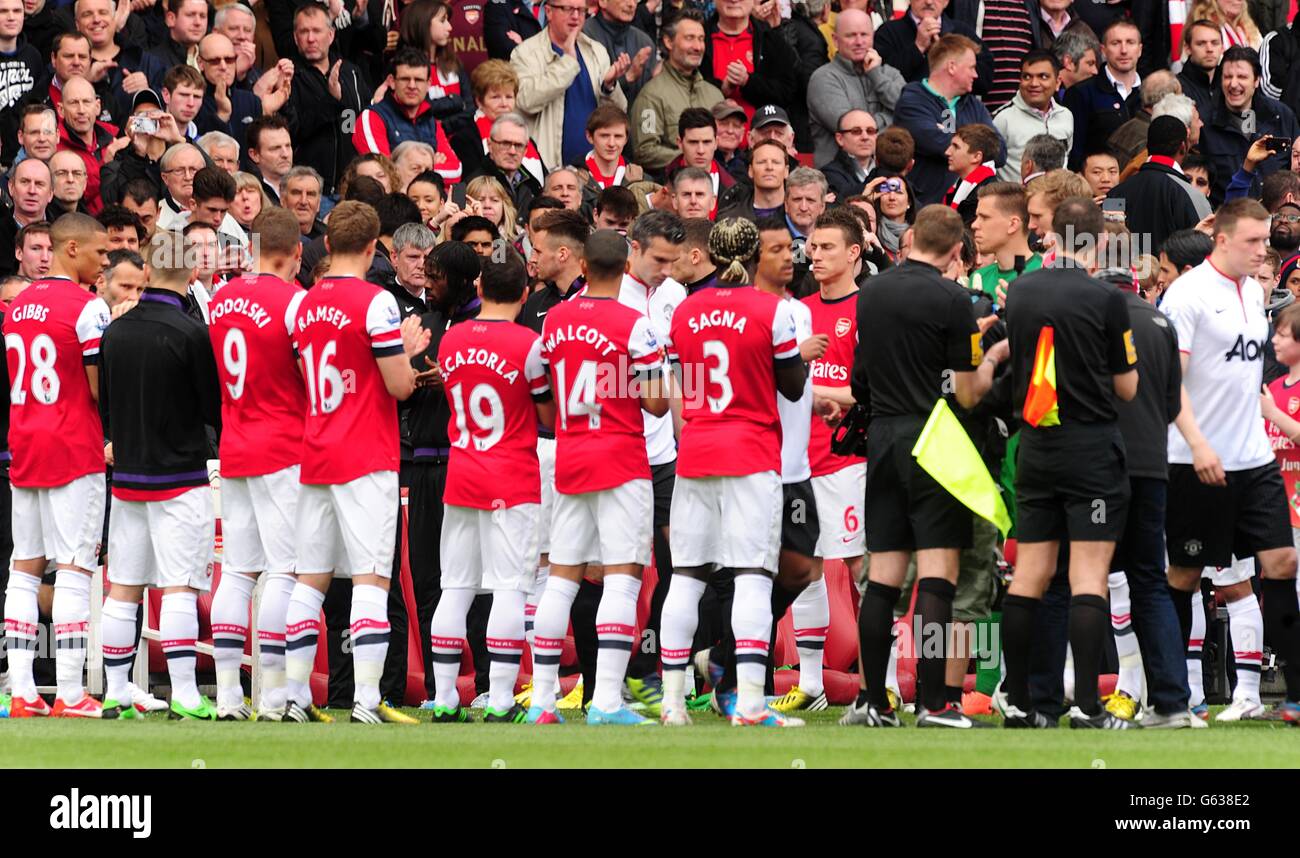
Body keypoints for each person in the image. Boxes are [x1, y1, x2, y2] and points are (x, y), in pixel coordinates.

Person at [841, 203, 1005, 727]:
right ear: (958, 250)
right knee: (939, 576)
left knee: (883, 576)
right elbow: (968, 393)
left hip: (883, 437)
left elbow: (859, 378)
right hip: (937, 439)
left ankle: (871, 702)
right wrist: (994, 358)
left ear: (911, 240)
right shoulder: (954, 299)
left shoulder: (872, 292)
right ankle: (936, 703)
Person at [281, 201, 429, 725]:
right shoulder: (377, 303)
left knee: (310, 579)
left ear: (326, 244)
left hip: (317, 449)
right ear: (375, 248)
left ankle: (294, 696)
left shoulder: (299, 305)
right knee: (370, 579)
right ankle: (367, 700)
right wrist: (410, 358)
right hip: (366, 452)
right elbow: (397, 385)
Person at [655, 217, 806, 727]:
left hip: (697, 450)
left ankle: (673, 705)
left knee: (686, 576)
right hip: (750, 452)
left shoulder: (686, 311)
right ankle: (752, 704)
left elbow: (682, 384)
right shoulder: (774, 310)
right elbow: (790, 386)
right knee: (752, 577)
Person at [998, 196, 1139, 729]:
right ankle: (1086, 707)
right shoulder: (1106, 298)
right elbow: (1127, 387)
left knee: (1029, 575)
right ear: (1099, 241)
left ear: (1051, 236)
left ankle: (1021, 702)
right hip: (1091, 449)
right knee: (1087, 577)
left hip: (1036, 446)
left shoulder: (1022, 291)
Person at [1160, 197, 1300, 723]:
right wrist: (1197, 443)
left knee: (1281, 563)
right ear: (1221, 239)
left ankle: (1295, 695)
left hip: (1253, 458)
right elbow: (1171, 380)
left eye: (1266, 241)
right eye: (1253, 242)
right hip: (1195, 458)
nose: (1263, 251)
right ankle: (1172, 693)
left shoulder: (1253, 291)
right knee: (1185, 573)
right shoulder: (1188, 294)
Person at [527, 229, 670, 724]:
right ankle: (606, 701)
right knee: (622, 577)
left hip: (570, 458)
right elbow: (655, 404)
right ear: (626, 267)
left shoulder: (556, 320)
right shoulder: (636, 326)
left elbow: (538, 384)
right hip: (622, 461)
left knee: (562, 577)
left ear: (583, 267)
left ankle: (542, 702)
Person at [97, 226, 219, 720]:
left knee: (123, 587)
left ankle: (117, 689)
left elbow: (105, 404)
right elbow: (213, 407)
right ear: (190, 274)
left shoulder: (115, 330)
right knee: (179, 587)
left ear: (146, 271)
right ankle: (186, 693)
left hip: (127, 477)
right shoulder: (192, 332)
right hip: (179, 477)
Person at [426, 253, 554, 723]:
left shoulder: (452, 339)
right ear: (525, 293)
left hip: (461, 473)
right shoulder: (529, 343)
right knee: (510, 589)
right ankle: (500, 700)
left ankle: (443, 699)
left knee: (454, 588)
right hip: (511, 477)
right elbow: (547, 416)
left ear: (479, 289)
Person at [1, 212, 110, 719]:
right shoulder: (89, 309)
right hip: (72, 444)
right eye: (100, 253)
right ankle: (69, 692)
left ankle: (22, 691)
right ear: (72, 249)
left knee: (24, 568)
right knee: (72, 568)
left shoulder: (18, 305)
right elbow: (97, 388)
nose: (104, 261)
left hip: (26, 440)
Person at [204, 208, 307, 721]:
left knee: (238, 573)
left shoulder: (221, 300)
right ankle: (272, 697)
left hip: (235, 444)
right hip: (284, 446)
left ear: (251, 247)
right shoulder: (295, 303)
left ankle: (227, 697)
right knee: (285, 571)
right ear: (298, 254)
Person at [1094, 237, 1201, 728]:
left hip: (1099, 464)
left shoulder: (1093, 318)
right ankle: (1172, 702)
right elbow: (1173, 401)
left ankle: (1055, 695)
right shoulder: (1162, 323)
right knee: (1150, 582)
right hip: (1153, 465)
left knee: (1078, 579)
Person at [509, 0, 628, 172]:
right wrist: (568, 64)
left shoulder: (596, 50)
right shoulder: (526, 53)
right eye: (567, 9)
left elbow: (617, 116)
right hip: (548, 171)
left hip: (592, 172)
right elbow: (526, 100)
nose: (575, 16)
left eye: (581, 10)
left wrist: (608, 87)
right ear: (548, 12)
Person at [893, 34, 1003, 206]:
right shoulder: (911, 101)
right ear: (952, 67)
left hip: (970, 208)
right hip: (925, 208)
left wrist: (948, 133)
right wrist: (974, 142)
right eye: (972, 67)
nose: (976, 75)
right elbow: (935, 142)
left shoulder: (974, 105)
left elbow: (999, 151)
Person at [287, 2, 372, 195]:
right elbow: (293, 131)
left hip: (353, 188)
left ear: (331, 35)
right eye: (304, 32)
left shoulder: (351, 72)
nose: (310, 39)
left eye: (317, 31)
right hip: (311, 191)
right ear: (295, 37)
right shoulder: (288, 76)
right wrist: (331, 100)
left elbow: (361, 119)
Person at [807, 9, 903, 170]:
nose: (859, 42)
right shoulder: (823, 78)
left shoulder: (889, 74)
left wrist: (875, 75)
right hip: (838, 179)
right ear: (835, 40)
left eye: (864, 34)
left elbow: (909, 112)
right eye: (851, 35)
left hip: (885, 176)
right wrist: (892, 118)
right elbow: (852, 130)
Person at [1201, 45, 1299, 204]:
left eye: (1242, 76)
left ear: (1257, 80)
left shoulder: (1281, 116)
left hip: (1279, 220)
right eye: (1227, 77)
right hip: (1228, 219)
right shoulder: (1204, 124)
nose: (1233, 84)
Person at [631, 8, 724, 173]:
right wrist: (690, 156)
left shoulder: (715, 95)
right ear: (668, 42)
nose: (697, 46)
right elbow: (645, 151)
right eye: (689, 38)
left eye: (701, 39)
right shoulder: (652, 95)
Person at [353, 49, 463, 186]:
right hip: (388, 204)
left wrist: (412, 169)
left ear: (428, 84)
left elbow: (456, 171)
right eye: (405, 79)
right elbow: (381, 174)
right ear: (392, 82)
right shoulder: (371, 117)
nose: (412, 86)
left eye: (418, 80)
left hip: (431, 203)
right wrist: (430, 165)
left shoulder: (431, 122)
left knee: (463, 194)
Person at [1107, 116, 1213, 254]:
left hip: (1122, 274)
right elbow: (1204, 253)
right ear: (1183, 146)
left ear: (1147, 146)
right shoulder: (1192, 196)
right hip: (1174, 274)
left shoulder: (1115, 193)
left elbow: (1106, 250)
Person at [699, 0, 799, 125]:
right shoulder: (698, 39)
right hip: (706, 139)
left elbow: (787, 93)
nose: (734, 0)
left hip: (761, 138)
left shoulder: (770, 39)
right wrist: (720, 89)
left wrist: (748, 81)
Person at [1064, 18, 1143, 170]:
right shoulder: (1081, 93)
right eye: (1116, 43)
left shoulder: (1151, 93)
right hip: (1095, 187)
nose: (1124, 50)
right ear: (1103, 50)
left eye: (1130, 42)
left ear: (1140, 49)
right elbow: (1074, 151)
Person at [875, 0, 994, 92]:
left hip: (955, 115)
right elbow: (882, 80)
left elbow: (985, 81)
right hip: (909, 113)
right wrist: (918, 47)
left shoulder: (962, 31)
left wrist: (951, 56)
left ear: (946, 2)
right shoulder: (888, 32)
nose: (929, 2)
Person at [993, 49, 1074, 183]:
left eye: (1043, 77)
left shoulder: (1066, 116)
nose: (1034, 84)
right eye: (1027, 77)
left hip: (1057, 200)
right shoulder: (1003, 118)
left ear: (1058, 82)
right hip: (1016, 202)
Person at [467, 60, 547, 184]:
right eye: (496, 97)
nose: (504, 104)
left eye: (509, 97)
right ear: (479, 101)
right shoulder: (466, 137)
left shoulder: (525, 138)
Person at [55, 75, 119, 217]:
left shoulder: (115, 137)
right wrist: (105, 167)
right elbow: (68, 195)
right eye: (73, 103)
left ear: (97, 107)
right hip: (79, 227)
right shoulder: (54, 147)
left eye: (86, 102)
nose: (81, 110)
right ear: (61, 110)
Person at [969, 181, 1042, 299]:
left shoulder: (1044, 272)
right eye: (977, 217)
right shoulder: (979, 277)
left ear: (1013, 224)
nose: (974, 225)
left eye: (984, 217)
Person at [466, 113, 545, 217]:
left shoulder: (532, 186)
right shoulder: (472, 184)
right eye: (505, 144)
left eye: (518, 145)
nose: (512, 151)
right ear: (490, 145)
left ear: (525, 150)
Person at [583, 0, 658, 103]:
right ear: (603, 2)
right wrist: (626, 79)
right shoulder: (584, 36)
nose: (631, 5)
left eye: (635, 0)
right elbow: (585, 94)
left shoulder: (644, 42)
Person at [0, 0, 43, 166]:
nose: (11, 17)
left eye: (17, 11)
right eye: (3, 11)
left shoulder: (33, 56)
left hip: (28, 155)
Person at [139, 0, 210, 94]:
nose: (198, 22)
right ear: (170, 19)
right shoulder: (151, 62)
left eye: (202, 16)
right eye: (190, 15)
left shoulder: (213, 60)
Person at [0, 159, 55, 278]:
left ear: (50, 194)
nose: (32, 191)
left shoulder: (63, 235)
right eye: (25, 182)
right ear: (11, 187)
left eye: (39, 184)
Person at [942, 124, 1002, 224]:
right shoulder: (960, 184)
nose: (947, 152)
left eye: (956, 147)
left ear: (976, 157)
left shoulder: (988, 194)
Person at [718, 139, 788, 221]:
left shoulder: (801, 215)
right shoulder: (728, 219)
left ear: (786, 171)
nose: (769, 167)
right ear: (750, 170)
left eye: (776, 162)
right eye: (762, 162)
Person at [820, 109, 877, 201]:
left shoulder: (888, 168)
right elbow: (847, 199)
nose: (865, 137)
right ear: (840, 139)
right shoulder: (829, 174)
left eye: (870, 131)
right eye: (856, 131)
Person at [1178, 19, 1222, 123]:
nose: (1209, 49)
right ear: (1187, 48)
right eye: (1201, 43)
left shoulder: (1232, 85)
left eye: (1215, 43)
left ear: (1222, 47)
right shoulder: (1177, 88)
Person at [246, 114, 293, 206]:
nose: (285, 154)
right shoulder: (245, 192)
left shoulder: (304, 184)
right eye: (275, 148)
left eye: (288, 146)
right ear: (254, 155)